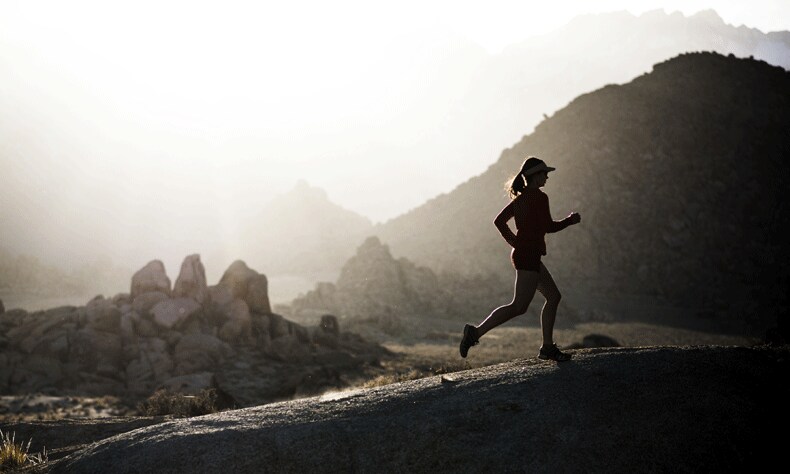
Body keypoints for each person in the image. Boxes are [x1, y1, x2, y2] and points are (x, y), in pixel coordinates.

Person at [459, 156, 581, 361]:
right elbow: (548, 227)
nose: (547, 178)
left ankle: (547, 347)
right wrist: (569, 221)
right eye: (545, 174)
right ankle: (475, 333)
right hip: (528, 256)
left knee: (553, 296)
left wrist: (515, 242)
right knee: (519, 306)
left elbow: (499, 222)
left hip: (526, 255)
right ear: (536, 176)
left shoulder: (520, 199)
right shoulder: (540, 198)